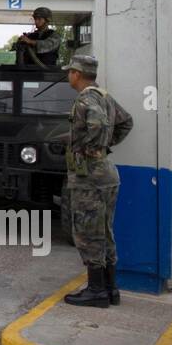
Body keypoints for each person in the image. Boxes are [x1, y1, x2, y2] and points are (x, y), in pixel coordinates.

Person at [61, 54, 134, 308]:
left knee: (87, 233)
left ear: (77, 74)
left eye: (70, 71)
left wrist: (86, 147)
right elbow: (126, 122)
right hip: (107, 174)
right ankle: (110, 289)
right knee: (104, 232)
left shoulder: (85, 99)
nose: (68, 75)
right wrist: (104, 147)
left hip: (90, 176)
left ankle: (96, 291)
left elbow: (98, 124)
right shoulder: (104, 96)